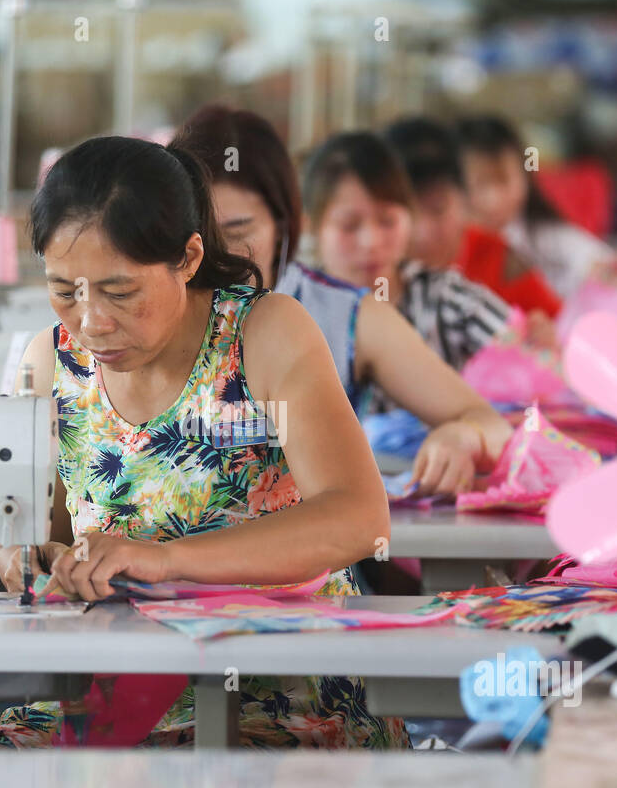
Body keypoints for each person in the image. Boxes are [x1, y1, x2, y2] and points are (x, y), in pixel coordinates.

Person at [0, 135, 406, 750]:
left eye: (120, 292)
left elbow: (359, 516)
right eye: (65, 291)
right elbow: (39, 534)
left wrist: (163, 559)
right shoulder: (50, 362)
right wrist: (31, 561)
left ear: (190, 256)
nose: (91, 320)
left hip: (278, 693)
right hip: (110, 695)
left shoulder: (263, 333)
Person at [170, 105, 511, 496]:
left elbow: (489, 422)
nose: (213, 254)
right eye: (196, 235)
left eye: (238, 230)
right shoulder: (142, 313)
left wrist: (462, 437)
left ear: (285, 222)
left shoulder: (347, 315)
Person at [301, 130, 549, 379]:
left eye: (387, 221)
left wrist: (541, 349)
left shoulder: (451, 303)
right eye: (349, 225)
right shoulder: (292, 315)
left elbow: (540, 366)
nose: (371, 242)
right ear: (311, 227)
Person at [384, 116, 562, 341]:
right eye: (407, 214)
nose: (424, 232)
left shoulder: (503, 264)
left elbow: (560, 327)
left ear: (465, 199)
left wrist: (545, 336)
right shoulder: (373, 274)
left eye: (438, 209)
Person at [455, 114, 615, 302]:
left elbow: (607, 265)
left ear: (526, 175)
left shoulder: (545, 234)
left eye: (504, 181)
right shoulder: (450, 242)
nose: (493, 198)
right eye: (480, 184)